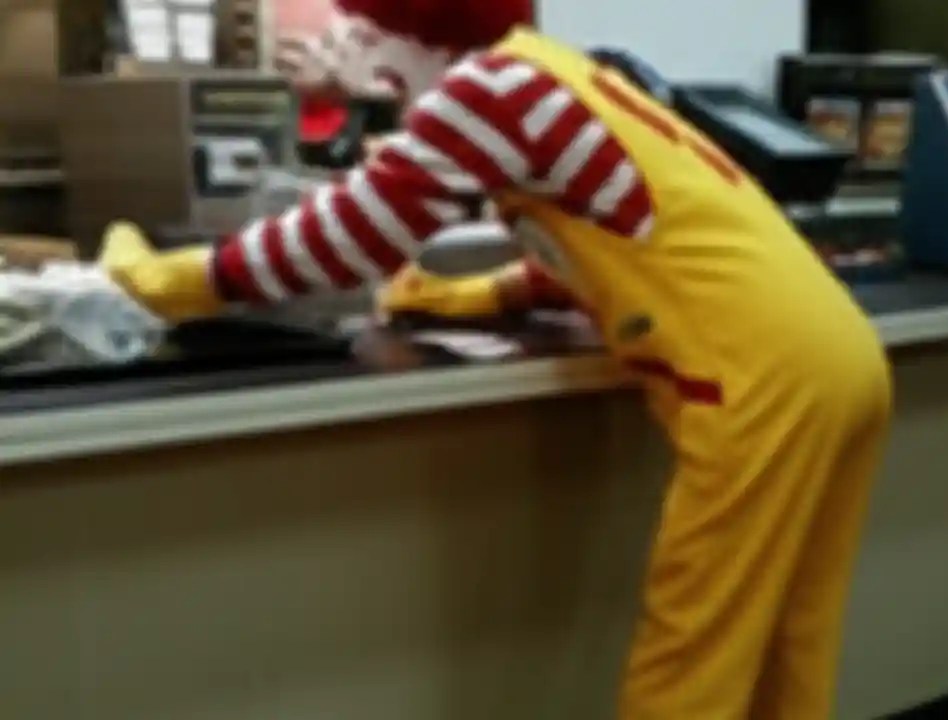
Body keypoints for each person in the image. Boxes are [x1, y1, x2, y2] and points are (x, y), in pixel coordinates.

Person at [101, 0, 893, 716]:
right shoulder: (549, 71)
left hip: (760, 381)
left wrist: (171, 281)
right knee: (793, 644)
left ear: (402, 30)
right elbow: (620, 243)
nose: (351, 51)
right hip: (839, 357)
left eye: (358, 28)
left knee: (694, 654)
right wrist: (477, 296)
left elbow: (341, 240)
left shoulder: (482, 93)